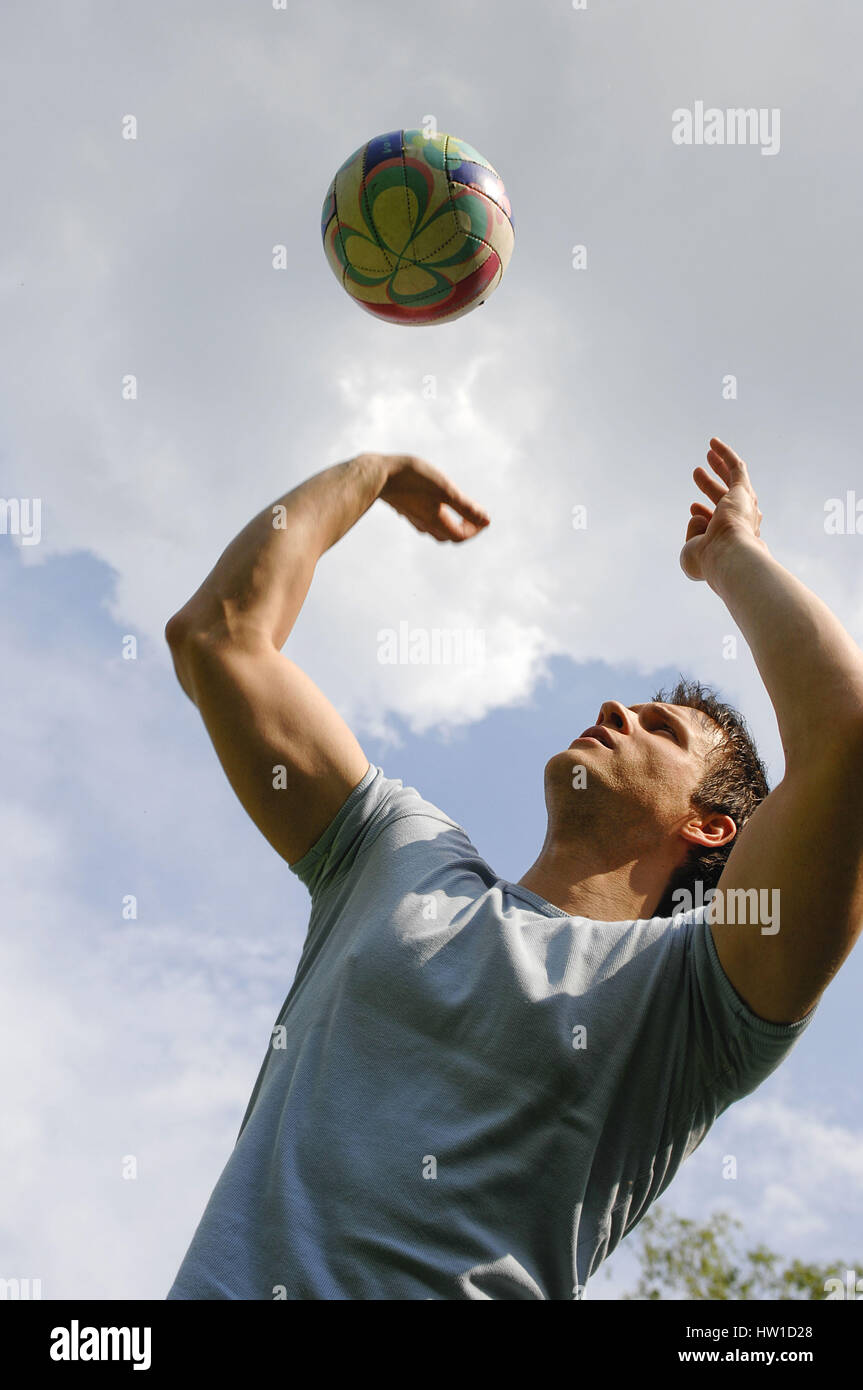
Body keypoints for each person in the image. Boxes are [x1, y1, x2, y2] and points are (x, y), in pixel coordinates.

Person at [163, 437, 863, 1300]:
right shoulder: (394, 855)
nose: (616, 710)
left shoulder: (698, 1002)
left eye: (661, 729)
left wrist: (728, 554)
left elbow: (844, 740)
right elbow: (218, 636)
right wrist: (370, 473)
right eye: (629, 707)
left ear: (710, 825)